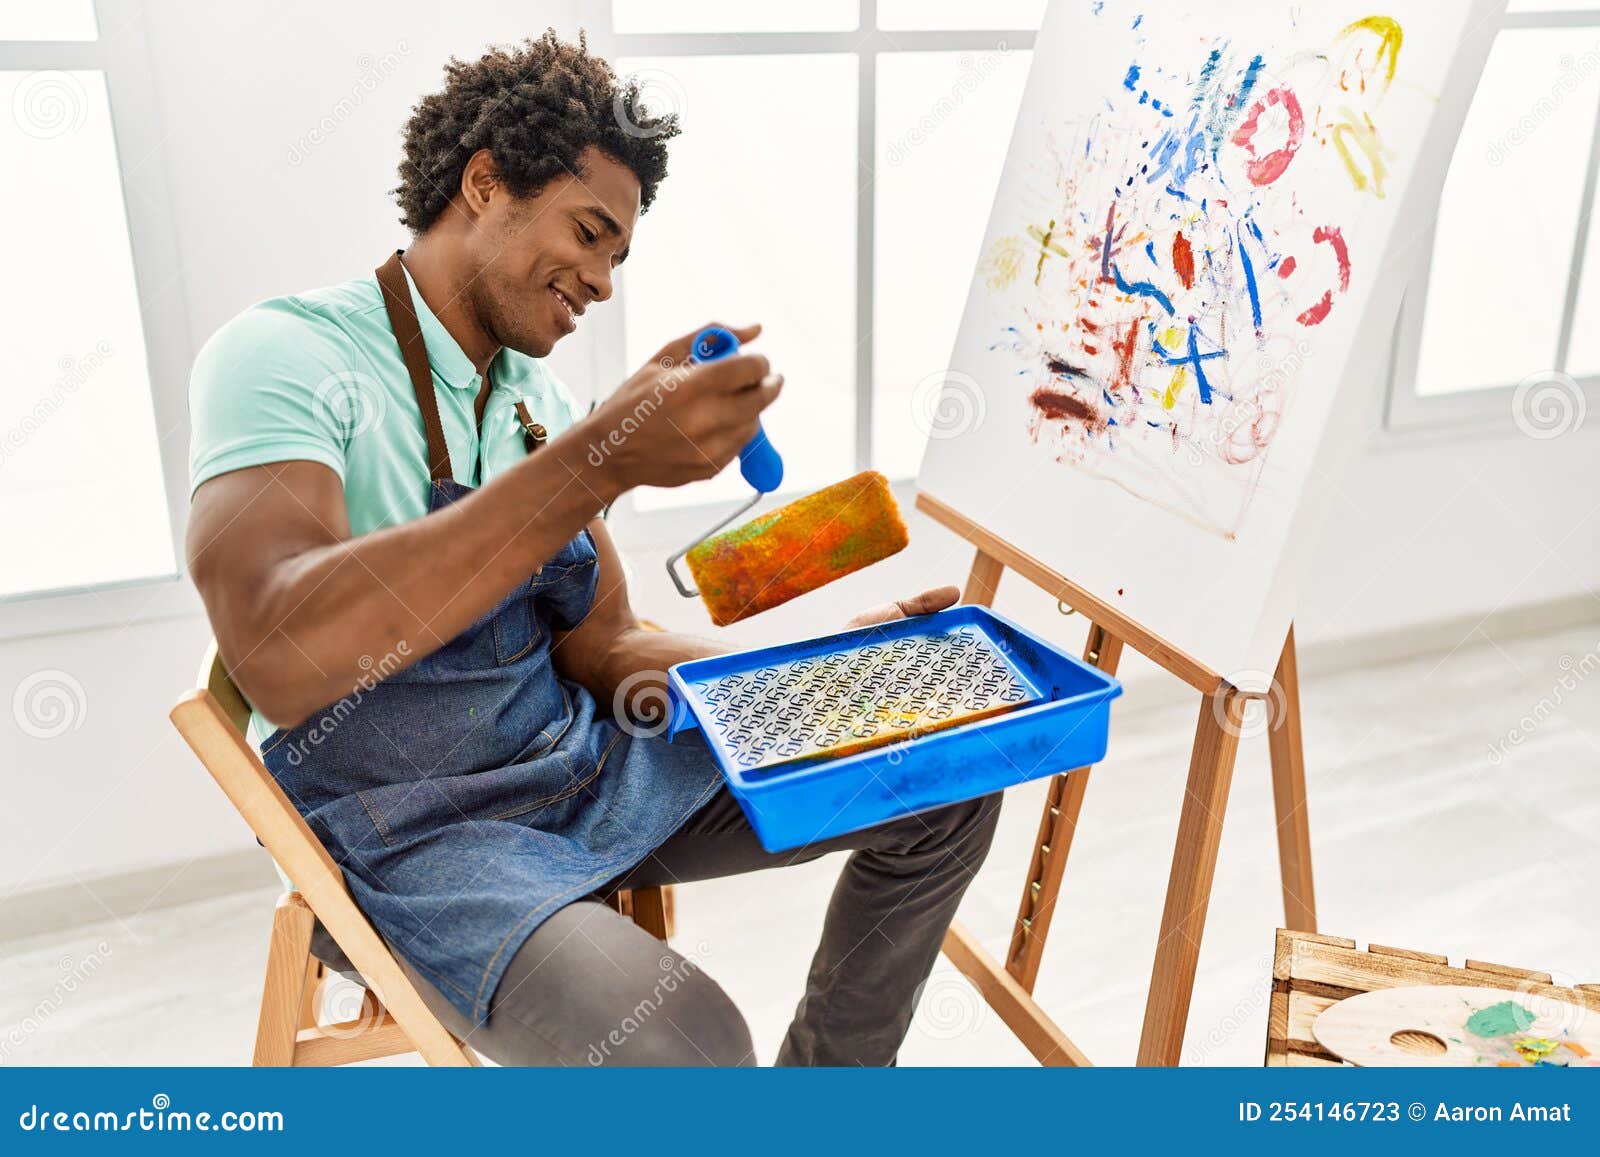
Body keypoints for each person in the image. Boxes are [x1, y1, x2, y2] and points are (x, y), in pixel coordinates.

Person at [186, 31, 999, 1066]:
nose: (603, 281)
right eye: (588, 231)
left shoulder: (536, 400)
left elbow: (606, 646)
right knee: (683, 1043)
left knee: (946, 772)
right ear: (484, 184)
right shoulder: (289, 355)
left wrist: (812, 674)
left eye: (618, 254)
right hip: (417, 834)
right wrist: (593, 464)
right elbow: (279, 654)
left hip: (574, 763)